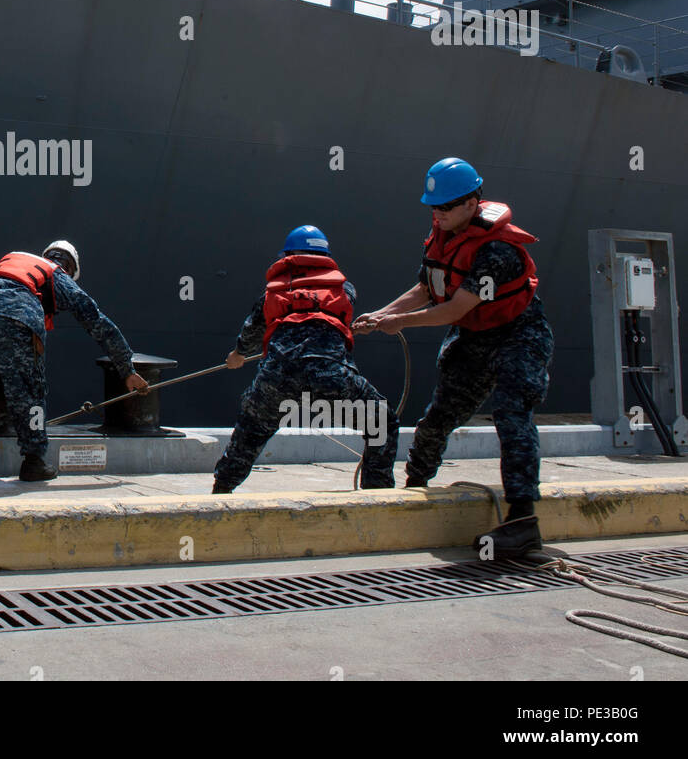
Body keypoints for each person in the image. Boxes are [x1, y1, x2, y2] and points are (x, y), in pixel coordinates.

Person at [354, 158, 555, 558]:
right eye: (434, 207)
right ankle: (416, 488)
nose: (438, 213)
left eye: (445, 206)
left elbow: (453, 310)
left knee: (512, 414)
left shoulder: (496, 251)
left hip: (517, 334)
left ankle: (522, 520)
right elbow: (426, 289)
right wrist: (381, 316)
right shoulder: (443, 237)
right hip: (475, 336)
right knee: (437, 418)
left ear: (471, 203)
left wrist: (399, 324)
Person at [0, 240, 147, 482]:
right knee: (29, 393)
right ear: (69, 268)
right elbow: (96, 321)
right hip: (19, 319)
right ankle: (34, 462)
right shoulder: (57, 274)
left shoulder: (15, 257)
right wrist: (126, 368)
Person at [213, 226, 399, 494]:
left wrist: (238, 354)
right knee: (382, 421)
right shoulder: (345, 288)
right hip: (331, 376)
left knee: (250, 431)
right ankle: (376, 497)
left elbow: (253, 330)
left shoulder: (272, 293)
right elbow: (339, 313)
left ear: (287, 256)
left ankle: (221, 492)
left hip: (277, 378)